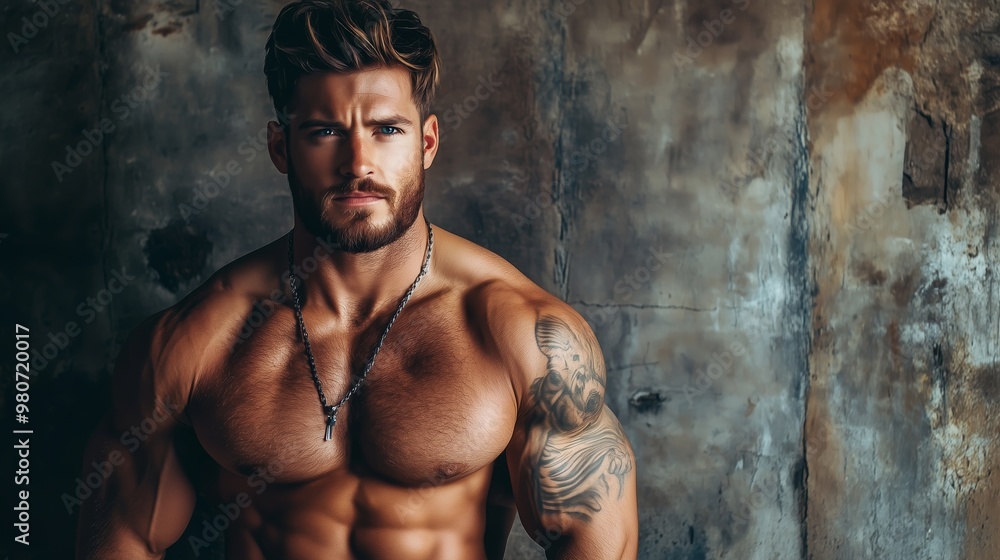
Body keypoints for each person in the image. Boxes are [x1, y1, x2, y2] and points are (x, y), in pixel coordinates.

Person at [75, 1, 638, 558]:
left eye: (387, 128)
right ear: (280, 147)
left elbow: (592, 540)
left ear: (427, 143)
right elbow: (123, 542)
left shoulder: (525, 336)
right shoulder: (195, 342)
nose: (358, 162)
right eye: (324, 131)